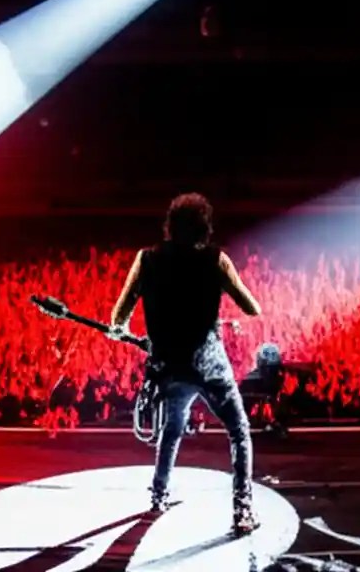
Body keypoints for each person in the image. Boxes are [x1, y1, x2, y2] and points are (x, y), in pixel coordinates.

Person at [108, 193, 263, 535]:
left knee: (171, 432)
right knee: (238, 432)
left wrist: (119, 330)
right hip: (210, 366)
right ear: (204, 227)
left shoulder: (146, 259)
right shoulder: (216, 260)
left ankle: (159, 496)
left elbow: (120, 312)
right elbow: (252, 308)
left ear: (170, 225)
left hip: (170, 365)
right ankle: (242, 510)